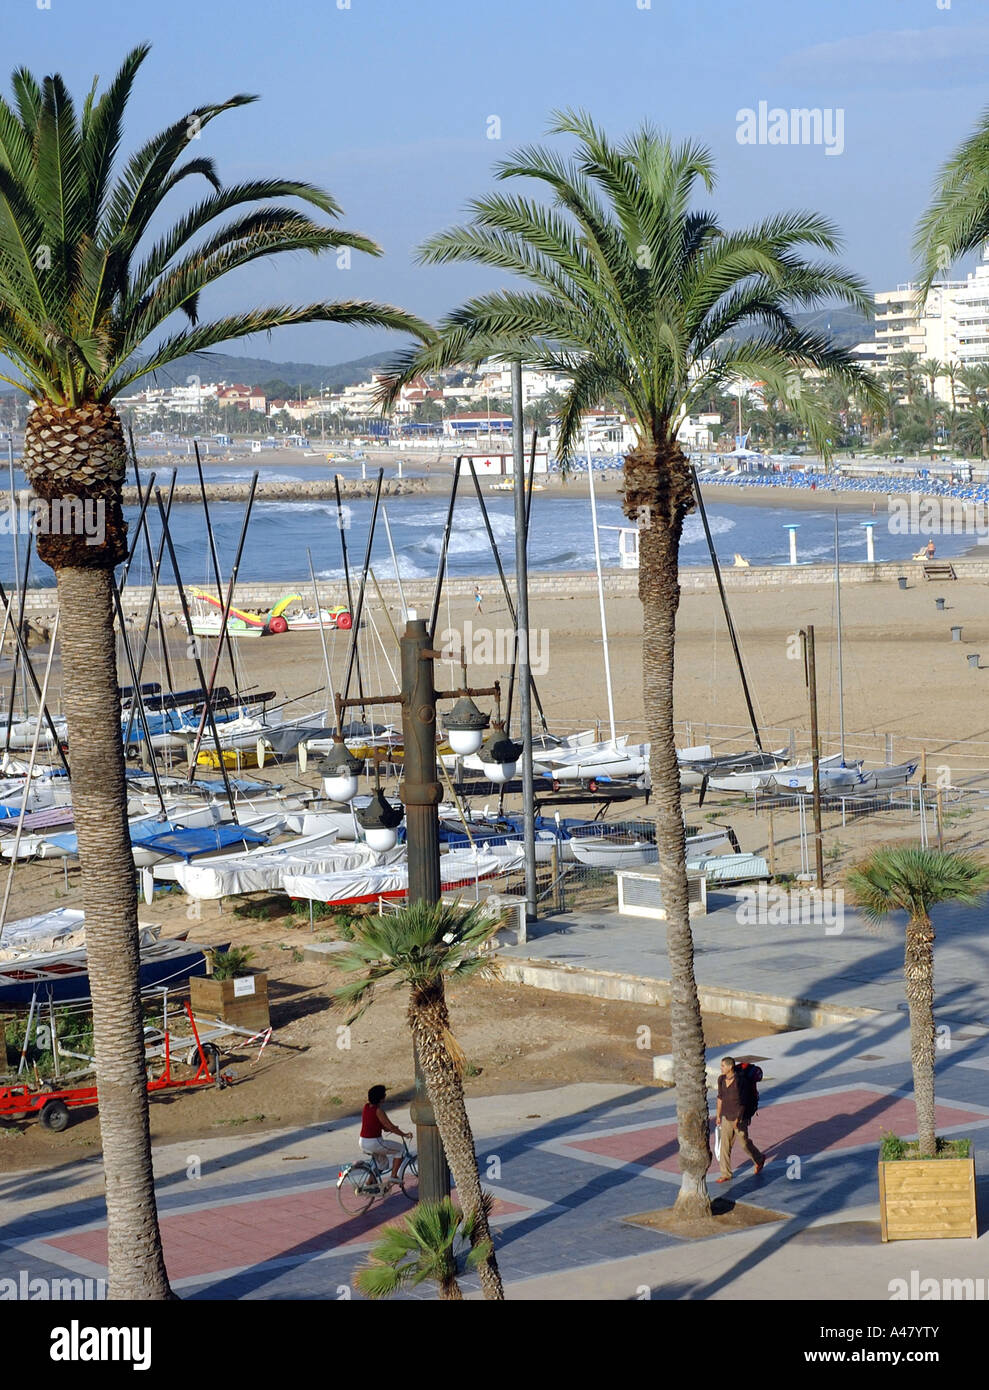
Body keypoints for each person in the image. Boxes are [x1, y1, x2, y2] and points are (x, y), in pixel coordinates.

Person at [715, 1056, 765, 1183]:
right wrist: (718, 1115)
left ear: (730, 1067)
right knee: (724, 1146)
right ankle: (725, 1173)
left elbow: (743, 1102)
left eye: (723, 1066)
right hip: (726, 1117)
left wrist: (738, 1119)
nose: (721, 1068)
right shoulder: (721, 1079)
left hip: (739, 1118)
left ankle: (759, 1159)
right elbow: (720, 1098)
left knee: (744, 1143)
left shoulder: (740, 1081)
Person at [359, 1084, 411, 1187]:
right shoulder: (379, 1111)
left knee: (383, 1164)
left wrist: (390, 1128)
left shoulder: (366, 1107)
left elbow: (380, 1125)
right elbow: (389, 1126)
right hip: (374, 1142)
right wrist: (404, 1134)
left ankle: (369, 1183)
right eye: (384, 1094)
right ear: (381, 1098)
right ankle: (394, 1176)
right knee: (400, 1149)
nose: (385, 1095)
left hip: (363, 1141)